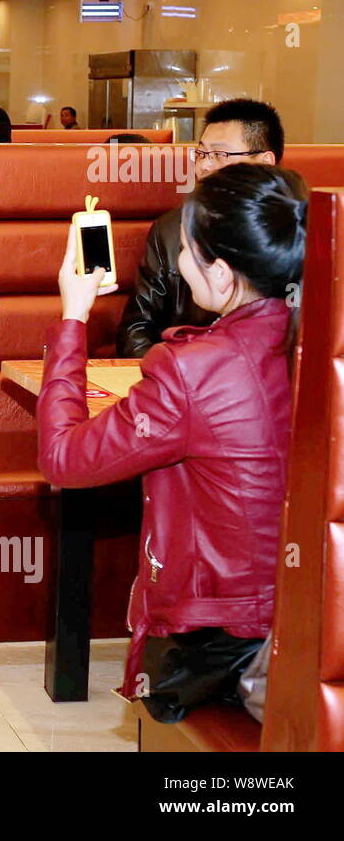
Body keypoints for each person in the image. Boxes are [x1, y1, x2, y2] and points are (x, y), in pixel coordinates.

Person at [38, 163, 306, 723]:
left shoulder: (196, 371)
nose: (179, 266)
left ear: (224, 276)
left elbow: (63, 458)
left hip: (223, 638)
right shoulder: (312, 337)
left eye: (185, 250)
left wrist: (73, 315)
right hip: (306, 609)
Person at [117, 98, 284, 357]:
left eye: (219, 155)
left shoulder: (296, 234)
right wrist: (164, 379)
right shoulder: (172, 229)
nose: (204, 166)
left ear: (264, 162)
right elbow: (137, 326)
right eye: (201, 153)